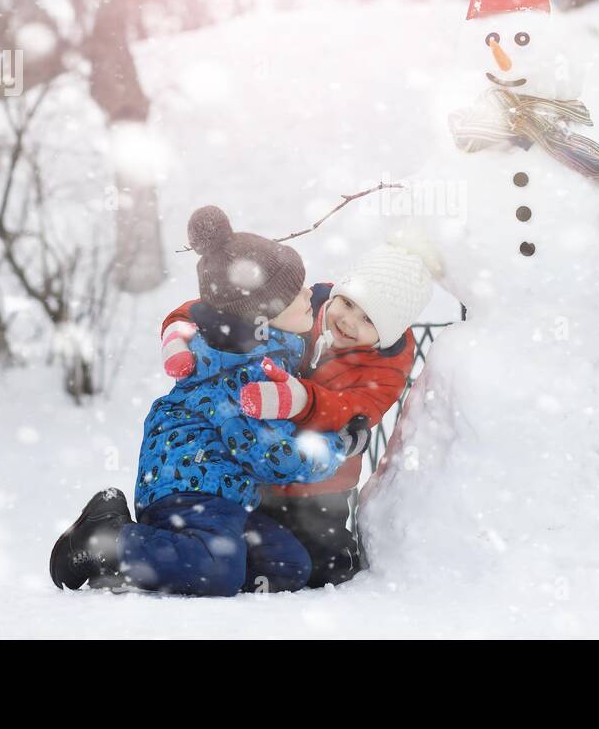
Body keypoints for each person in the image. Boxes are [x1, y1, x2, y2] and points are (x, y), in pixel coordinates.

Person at [49, 206, 369, 596]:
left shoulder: (266, 353)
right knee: (218, 571)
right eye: (294, 292)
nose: (308, 295)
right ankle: (106, 540)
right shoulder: (249, 378)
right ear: (261, 314)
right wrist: (341, 447)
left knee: (288, 565)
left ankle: (158, 563)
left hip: (228, 499)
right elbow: (275, 458)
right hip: (187, 492)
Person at [159, 240, 433, 587]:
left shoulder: (387, 364)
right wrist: (179, 329)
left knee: (328, 569)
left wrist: (300, 400)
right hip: (257, 470)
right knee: (262, 548)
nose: (347, 320)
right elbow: (227, 305)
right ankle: (214, 562)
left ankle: (234, 566)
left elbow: (356, 409)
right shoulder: (300, 304)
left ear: (387, 333)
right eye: (347, 302)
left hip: (321, 484)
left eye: (368, 319)